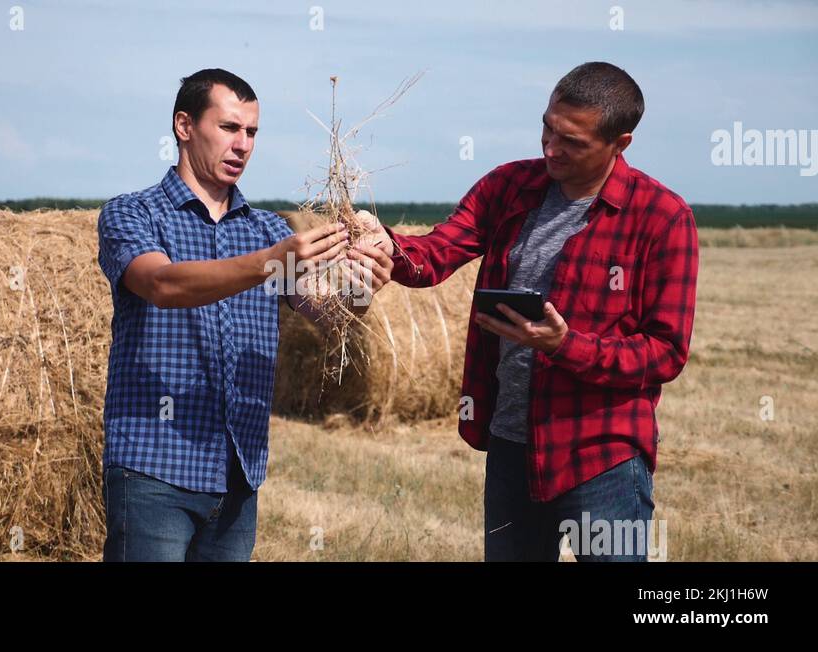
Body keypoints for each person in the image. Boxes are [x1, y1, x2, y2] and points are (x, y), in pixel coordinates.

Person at [359, 62, 698, 561]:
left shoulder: (663, 218)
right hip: (511, 442)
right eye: (547, 127)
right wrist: (382, 246)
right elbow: (436, 253)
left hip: (600, 452)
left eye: (572, 142)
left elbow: (664, 353)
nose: (550, 149)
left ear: (620, 143)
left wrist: (565, 346)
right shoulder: (509, 186)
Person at [97, 68, 393, 561]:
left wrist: (364, 286)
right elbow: (162, 284)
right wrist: (269, 263)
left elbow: (327, 319)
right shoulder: (132, 214)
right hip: (153, 467)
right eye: (229, 128)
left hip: (238, 473)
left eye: (252, 132)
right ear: (184, 126)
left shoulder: (265, 229)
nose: (243, 144)